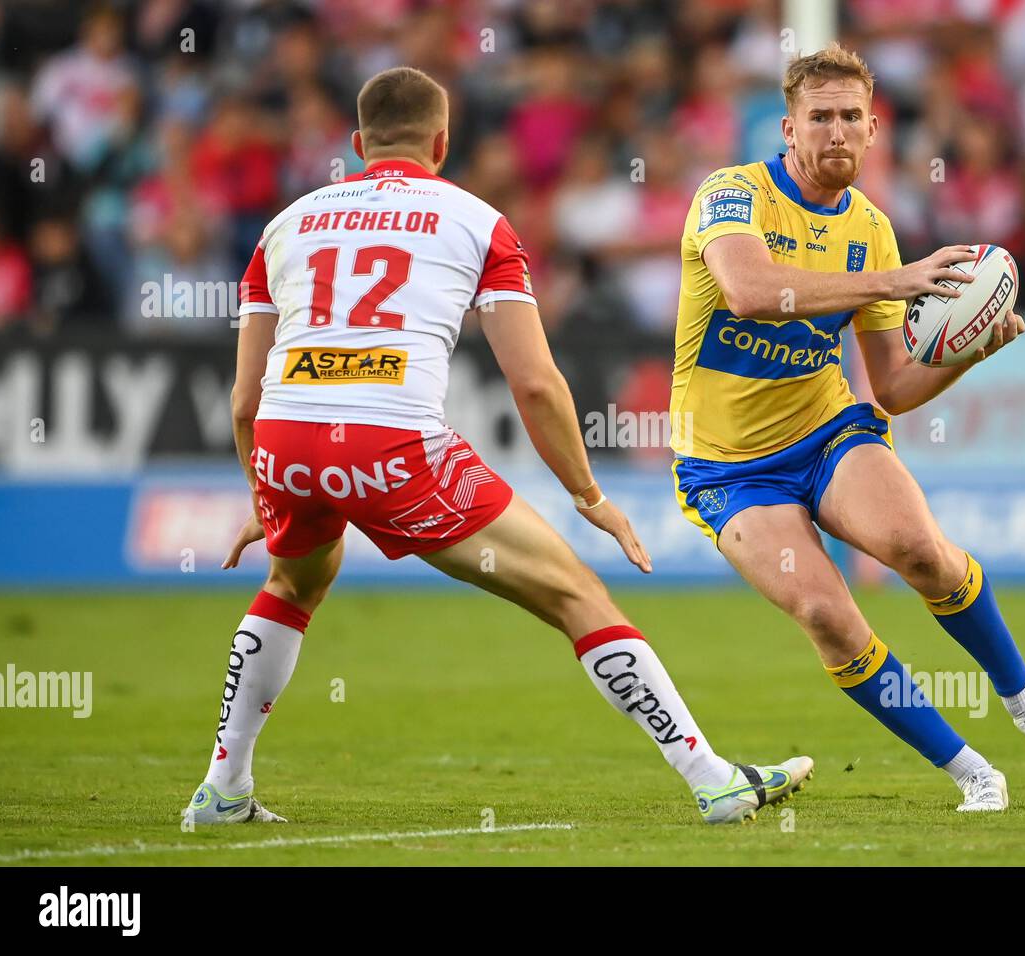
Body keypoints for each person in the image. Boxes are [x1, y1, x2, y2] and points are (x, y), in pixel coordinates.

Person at [185, 66, 811, 827]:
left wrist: (264, 490)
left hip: (287, 440)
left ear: (356, 145)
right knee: (577, 594)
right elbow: (537, 384)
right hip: (393, 443)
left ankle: (222, 790)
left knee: (291, 585)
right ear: (442, 144)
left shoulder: (283, 225)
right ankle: (714, 779)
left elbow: (245, 399)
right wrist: (591, 497)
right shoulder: (477, 220)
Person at [669, 44, 1025, 812]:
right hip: (726, 466)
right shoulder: (730, 195)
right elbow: (747, 291)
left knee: (919, 552)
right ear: (790, 128)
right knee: (826, 614)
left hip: (827, 427)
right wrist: (894, 281)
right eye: (819, 117)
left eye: (850, 119)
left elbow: (895, 386)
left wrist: (973, 352)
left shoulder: (870, 227)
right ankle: (971, 770)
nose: (835, 132)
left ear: (873, 131)